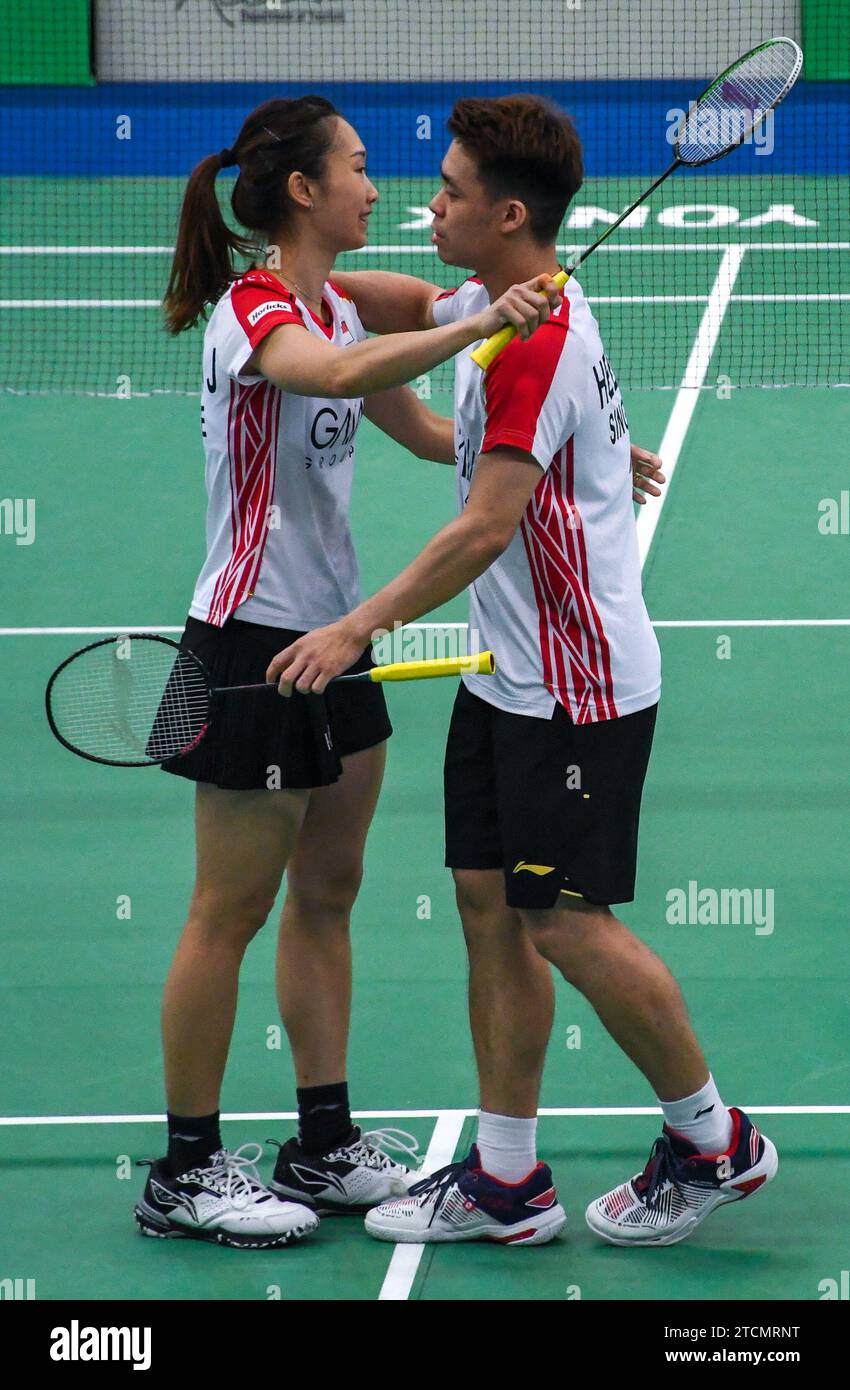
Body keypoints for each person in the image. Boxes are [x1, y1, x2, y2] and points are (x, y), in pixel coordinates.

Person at [267, 94, 778, 1249]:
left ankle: (713, 1139)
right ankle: (505, 1180)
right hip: (509, 676)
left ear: (505, 213)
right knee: (491, 909)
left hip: (574, 687)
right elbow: (400, 301)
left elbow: (484, 526)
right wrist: (293, 285)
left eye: (446, 192)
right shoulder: (511, 307)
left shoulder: (532, 345)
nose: (425, 204)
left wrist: (359, 629)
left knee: (566, 921)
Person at [134, 93, 561, 1250]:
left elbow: (425, 419)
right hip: (250, 646)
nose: (381, 188)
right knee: (226, 910)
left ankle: (321, 1137)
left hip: (337, 640)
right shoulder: (258, 309)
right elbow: (328, 375)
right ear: (308, 191)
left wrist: (567, 434)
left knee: (328, 894)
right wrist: (477, 326)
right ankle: (184, 1167)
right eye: (363, 169)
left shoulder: (333, 298)